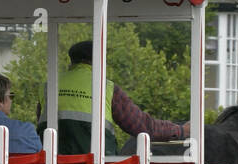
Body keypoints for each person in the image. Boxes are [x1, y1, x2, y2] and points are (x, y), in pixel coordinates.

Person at [38, 40, 188, 154]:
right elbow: (143, 126)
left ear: (72, 60)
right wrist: (180, 131)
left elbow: (41, 124)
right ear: (99, 60)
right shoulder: (106, 87)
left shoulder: (48, 86)